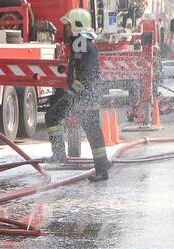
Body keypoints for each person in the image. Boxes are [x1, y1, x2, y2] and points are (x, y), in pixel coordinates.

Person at [44, 9, 109, 181]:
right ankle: (101, 168)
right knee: (90, 130)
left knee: (90, 130)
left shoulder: (81, 43)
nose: (63, 30)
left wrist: (70, 95)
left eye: (67, 26)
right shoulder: (81, 42)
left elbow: (84, 77)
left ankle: (101, 170)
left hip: (84, 96)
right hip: (85, 96)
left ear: (76, 26)